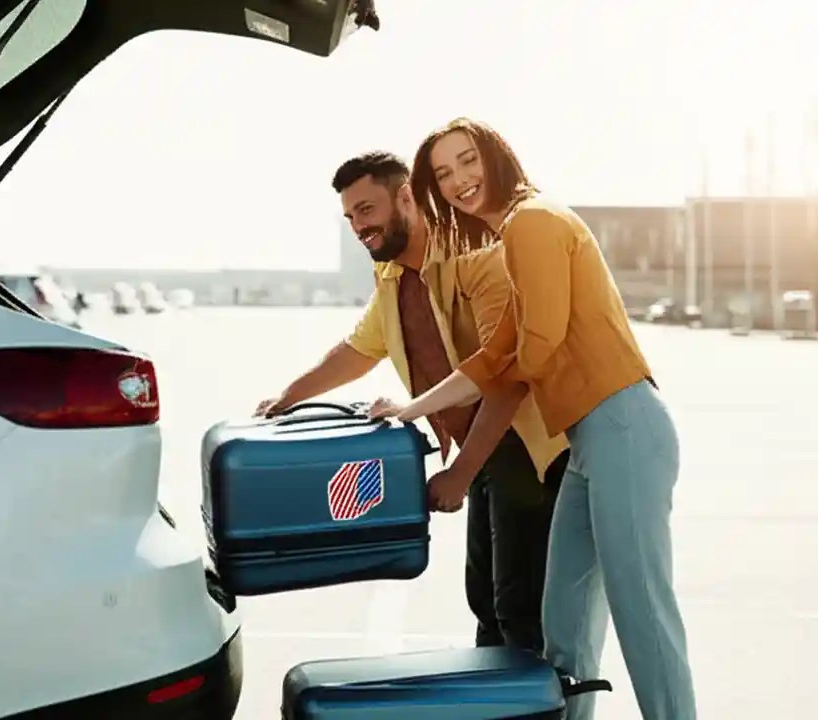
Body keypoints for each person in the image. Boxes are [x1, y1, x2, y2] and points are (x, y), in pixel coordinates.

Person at [367, 119, 697, 720]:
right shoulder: (512, 236)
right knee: (564, 622)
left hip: (624, 425)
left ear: (496, 157)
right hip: (589, 443)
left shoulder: (533, 221)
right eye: (443, 174)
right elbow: (495, 357)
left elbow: (533, 349)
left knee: (641, 609)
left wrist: (470, 447)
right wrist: (412, 408)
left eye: (468, 161)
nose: (460, 180)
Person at [254, 150, 569, 654]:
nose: (360, 226)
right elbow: (359, 350)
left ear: (405, 197)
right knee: (487, 604)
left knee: (520, 610)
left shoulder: (477, 256)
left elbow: (509, 378)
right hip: (482, 449)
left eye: (367, 209)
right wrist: (288, 399)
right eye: (352, 216)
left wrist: (460, 475)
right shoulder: (394, 277)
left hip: (527, 450)